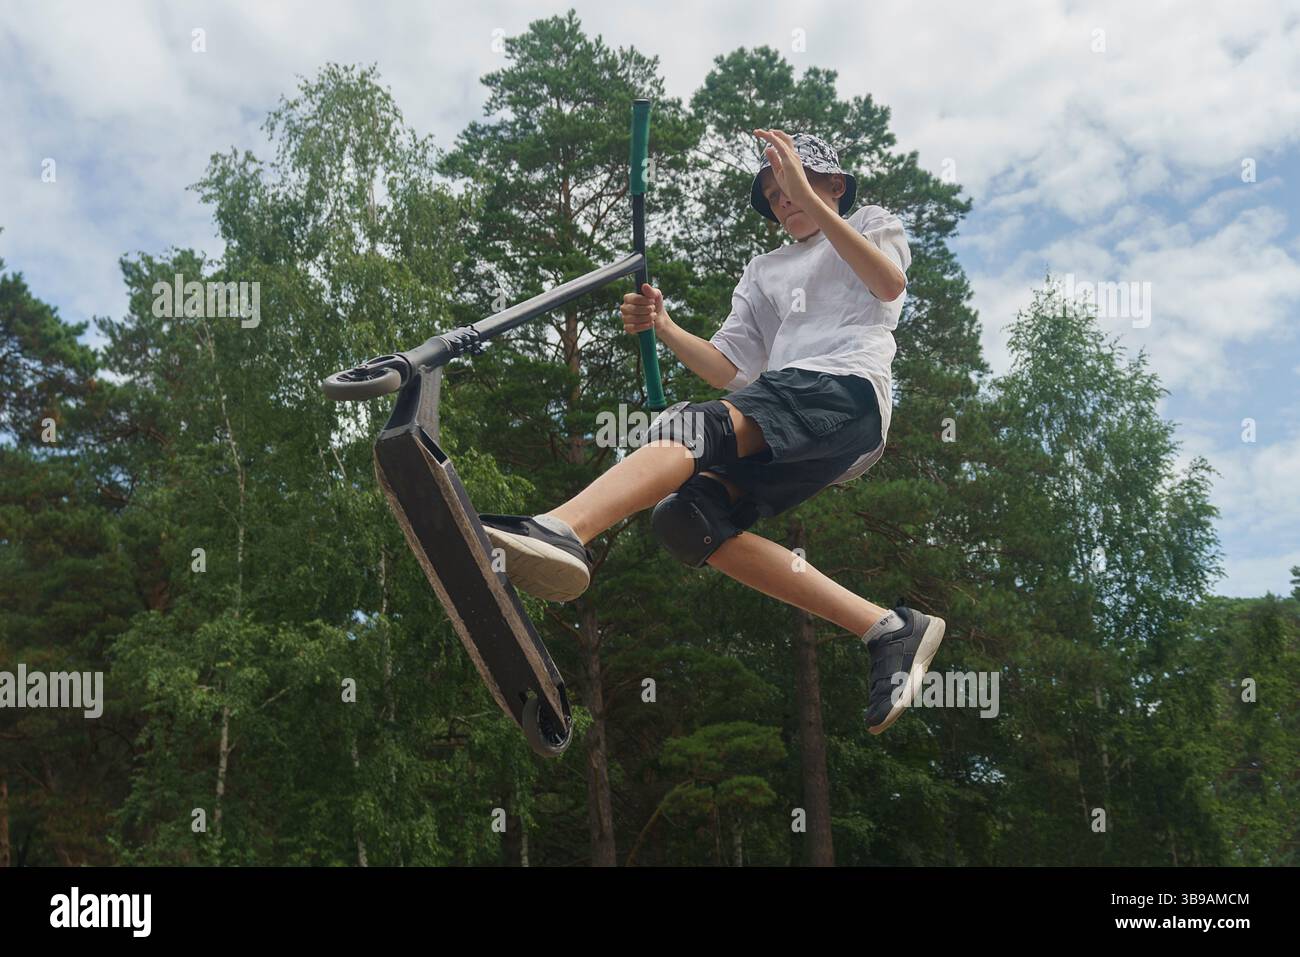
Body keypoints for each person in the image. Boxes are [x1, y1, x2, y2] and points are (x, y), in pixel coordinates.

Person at [477, 129, 944, 734]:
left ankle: (563, 529)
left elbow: (888, 284)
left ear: (836, 184)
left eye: (795, 185)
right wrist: (665, 327)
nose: (784, 200)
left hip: (843, 390)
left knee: (696, 426)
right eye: (774, 195)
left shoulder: (872, 225)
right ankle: (886, 627)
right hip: (795, 414)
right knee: (686, 521)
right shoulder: (764, 271)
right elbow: (729, 368)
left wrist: (812, 198)